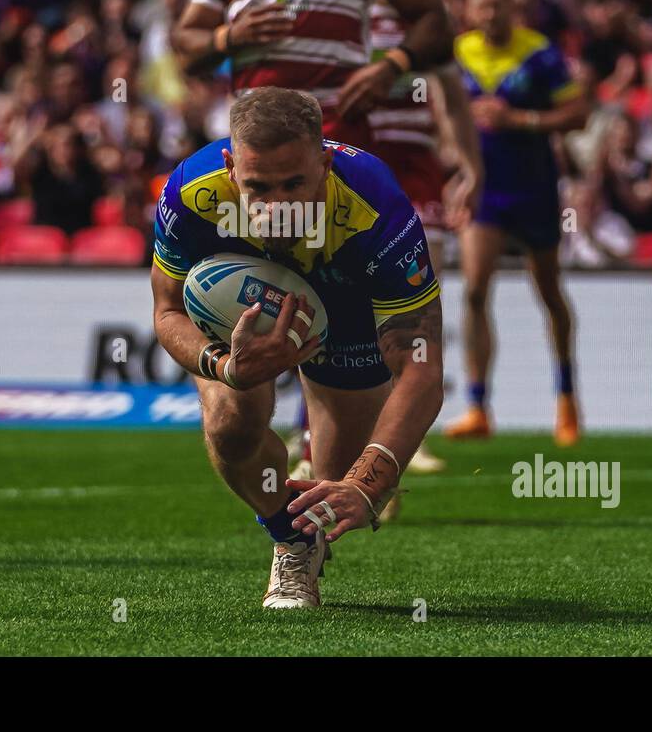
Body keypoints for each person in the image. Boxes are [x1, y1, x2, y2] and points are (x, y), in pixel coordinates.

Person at [170, 0, 454, 477]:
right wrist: (227, 37)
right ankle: (278, 438)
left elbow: (433, 22)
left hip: (338, 157)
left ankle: (345, 451)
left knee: (346, 318)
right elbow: (186, 47)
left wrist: (390, 66)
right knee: (269, 303)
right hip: (256, 168)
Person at [150, 87, 443, 608]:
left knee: (336, 491)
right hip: (240, 304)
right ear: (230, 166)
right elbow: (168, 311)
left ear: (325, 162)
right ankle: (290, 540)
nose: (277, 207)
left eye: (293, 184)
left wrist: (369, 481)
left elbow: (420, 367)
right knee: (230, 424)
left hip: (345, 300)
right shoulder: (192, 192)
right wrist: (222, 365)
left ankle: (316, 500)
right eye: (258, 187)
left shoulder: (377, 207)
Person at [444, 0, 589, 445]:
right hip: (485, 189)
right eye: (481, 6)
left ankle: (566, 397)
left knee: (547, 288)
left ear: (511, 9)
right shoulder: (457, 53)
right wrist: (458, 165)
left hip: (534, 186)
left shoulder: (539, 54)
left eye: (497, 5)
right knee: (473, 289)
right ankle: (477, 405)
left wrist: (520, 120)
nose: (489, 14)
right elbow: (445, 117)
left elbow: (578, 114)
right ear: (469, 13)